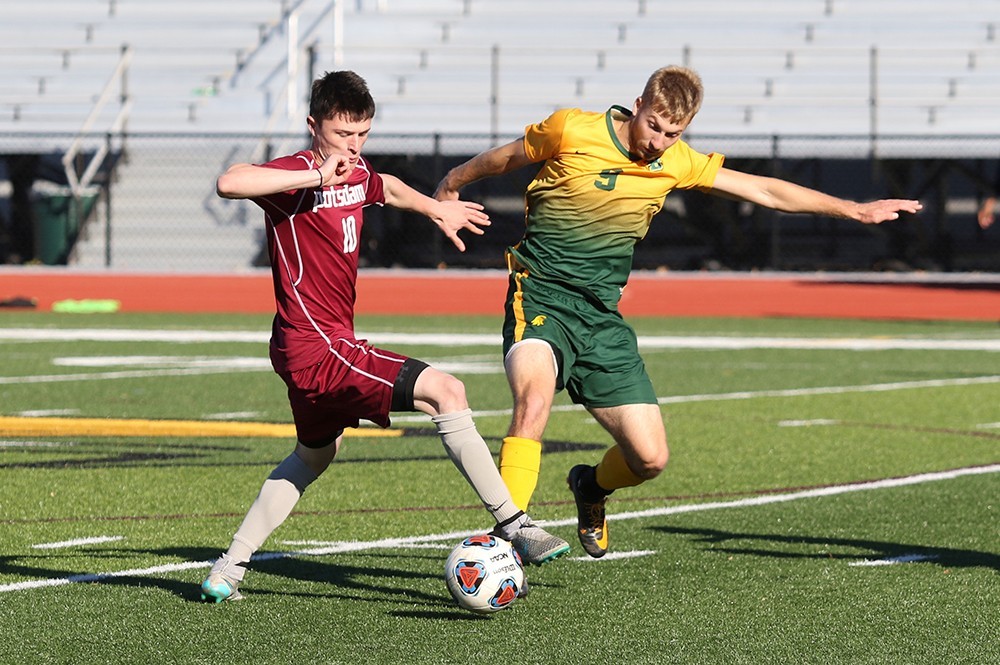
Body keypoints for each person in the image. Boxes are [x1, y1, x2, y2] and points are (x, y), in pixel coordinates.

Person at [434, 65, 923, 559]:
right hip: (541, 297)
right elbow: (504, 159)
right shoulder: (571, 129)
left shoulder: (677, 162)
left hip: (602, 318)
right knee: (533, 404)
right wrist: (453, 183)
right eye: (655, 127)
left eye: (674, 134)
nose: (660, 143)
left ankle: (591, 488)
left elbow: (765, 190)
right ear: (638, 105)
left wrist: (853, 209)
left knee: (650, 459)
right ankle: (506, 540)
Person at [200, 70, 569, 603]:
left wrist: (436, 207)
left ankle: (227, 568)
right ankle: (515, 525)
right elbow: (231, 182)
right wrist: (314, 177)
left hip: (310, 345)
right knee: (448, 391)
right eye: (341, 134)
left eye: (362, 135)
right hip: (317, 346)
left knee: (313, 455)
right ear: (313, 126)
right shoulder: (299, 172)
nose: (352, 147)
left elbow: (387, 187)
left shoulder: (355, 170)